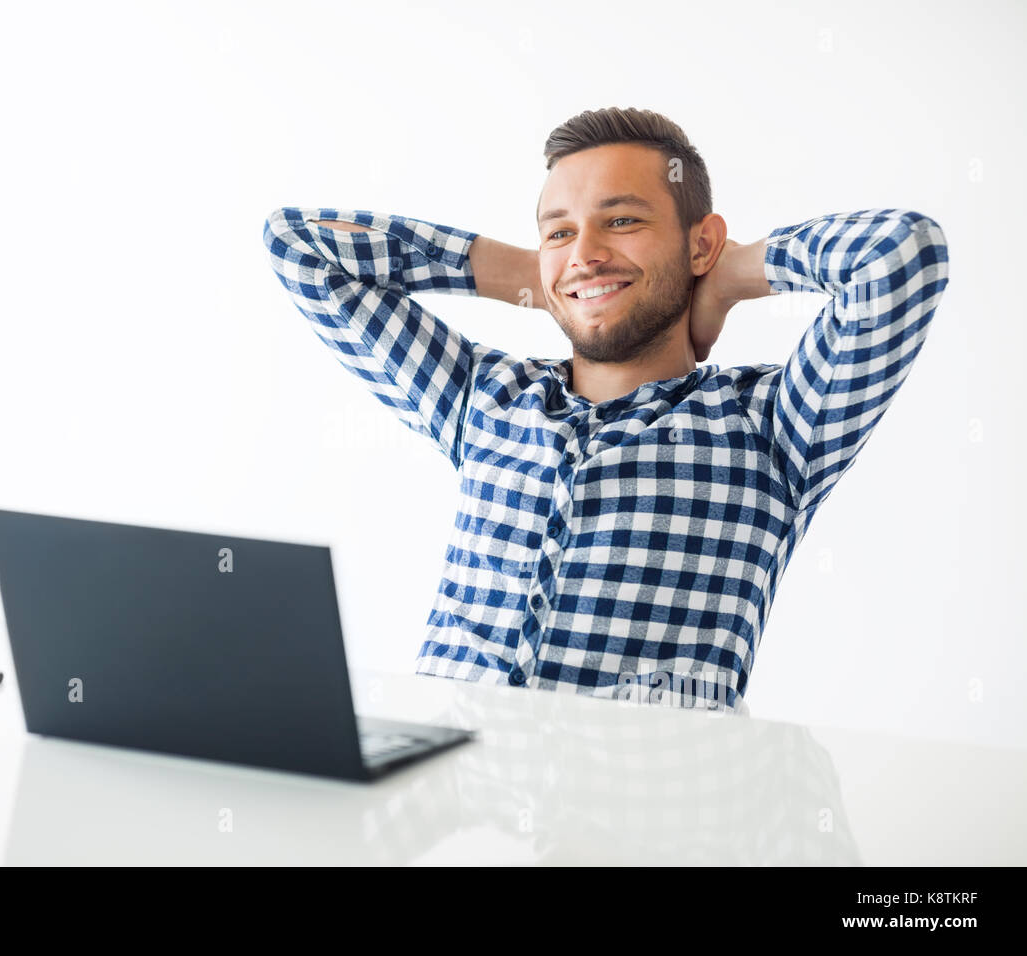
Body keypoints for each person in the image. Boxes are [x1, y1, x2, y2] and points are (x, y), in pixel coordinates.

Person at [261, 106, 949, 714]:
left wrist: (726, 279)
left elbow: (901, 253)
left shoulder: (774, 426)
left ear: (700, 241)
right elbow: (297, 243)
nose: (587, 253)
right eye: (559, 231)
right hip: (444, 810)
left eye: (622, 221)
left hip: (648, 824)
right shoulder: (480, 396)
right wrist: (542, 274)